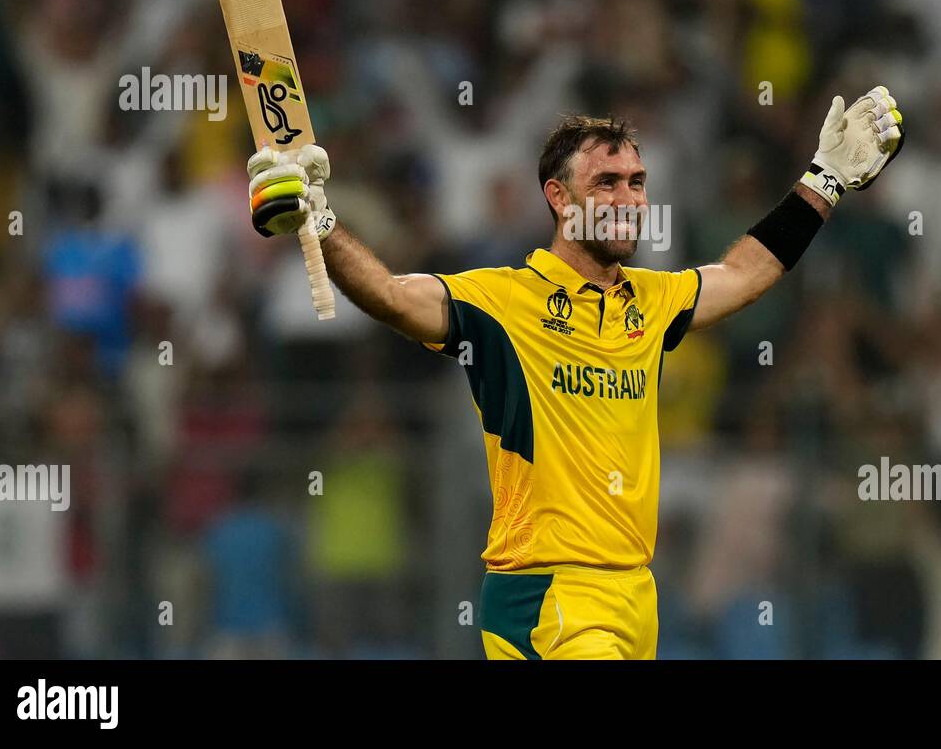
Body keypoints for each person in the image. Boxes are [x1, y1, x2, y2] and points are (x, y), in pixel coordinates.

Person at [244, 87, 904, 659]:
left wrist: (824, 180)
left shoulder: (650, 300)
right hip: (547, 588)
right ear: (559, 197)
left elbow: (743, 274)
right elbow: (390, 294)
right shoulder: (502, 300)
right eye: (607, 184)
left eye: (637, 183)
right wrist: (320, 223)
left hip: (632, 593)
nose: (627, 198)